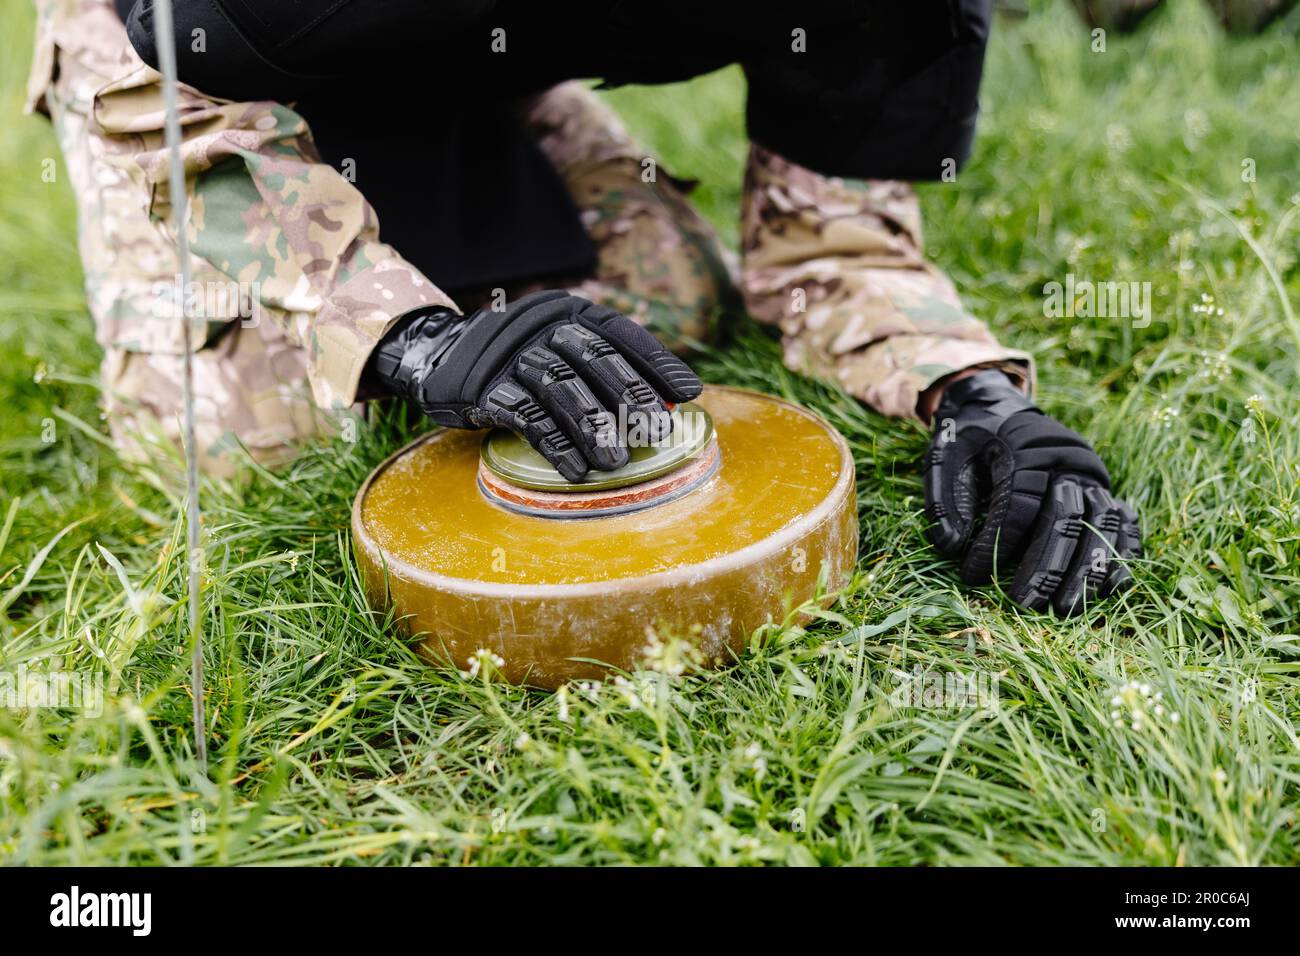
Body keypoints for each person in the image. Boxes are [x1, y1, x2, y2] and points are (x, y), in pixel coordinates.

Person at [26, 0, 1140, 615]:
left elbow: (833, 239)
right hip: (182, 76)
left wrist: (968, 388)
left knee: (669, 314)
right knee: (256, 441)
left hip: (462, 50)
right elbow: (163, 91)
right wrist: (408, 339)